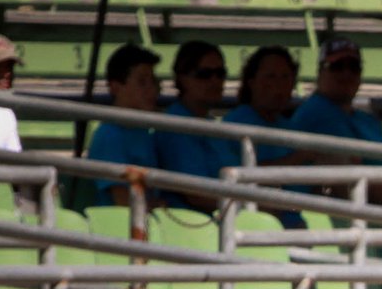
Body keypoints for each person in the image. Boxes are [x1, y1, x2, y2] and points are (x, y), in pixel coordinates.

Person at [289, 37, 382, 206]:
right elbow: (354, 179)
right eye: (337, 66)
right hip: (364, 214)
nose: (347, 74)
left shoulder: (365, 119)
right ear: (321, 72)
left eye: (354, 67)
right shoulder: (317, 113)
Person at [224, 46, 311, 228]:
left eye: (285, 77)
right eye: (270, 76)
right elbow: (243, 175)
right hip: (257, 225)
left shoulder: (289, 127)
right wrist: (298, 159)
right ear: (251, 81)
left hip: (294, 222)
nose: (278, 85)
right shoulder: (237, 122)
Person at [154, 41, 232, 211]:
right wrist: (253, 204)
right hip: (189, 226)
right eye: (205, 74)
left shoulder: (213, 126)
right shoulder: (174, 126)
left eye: (221, 73)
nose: (215, 81)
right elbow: (196, 194)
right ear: (183, 78)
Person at [81, 44, 161, 208]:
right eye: (142, 82)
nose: (152, 89)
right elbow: (123, 202)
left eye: (153, 81)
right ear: (116, 87)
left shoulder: (143, 132)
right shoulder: (110, 136)